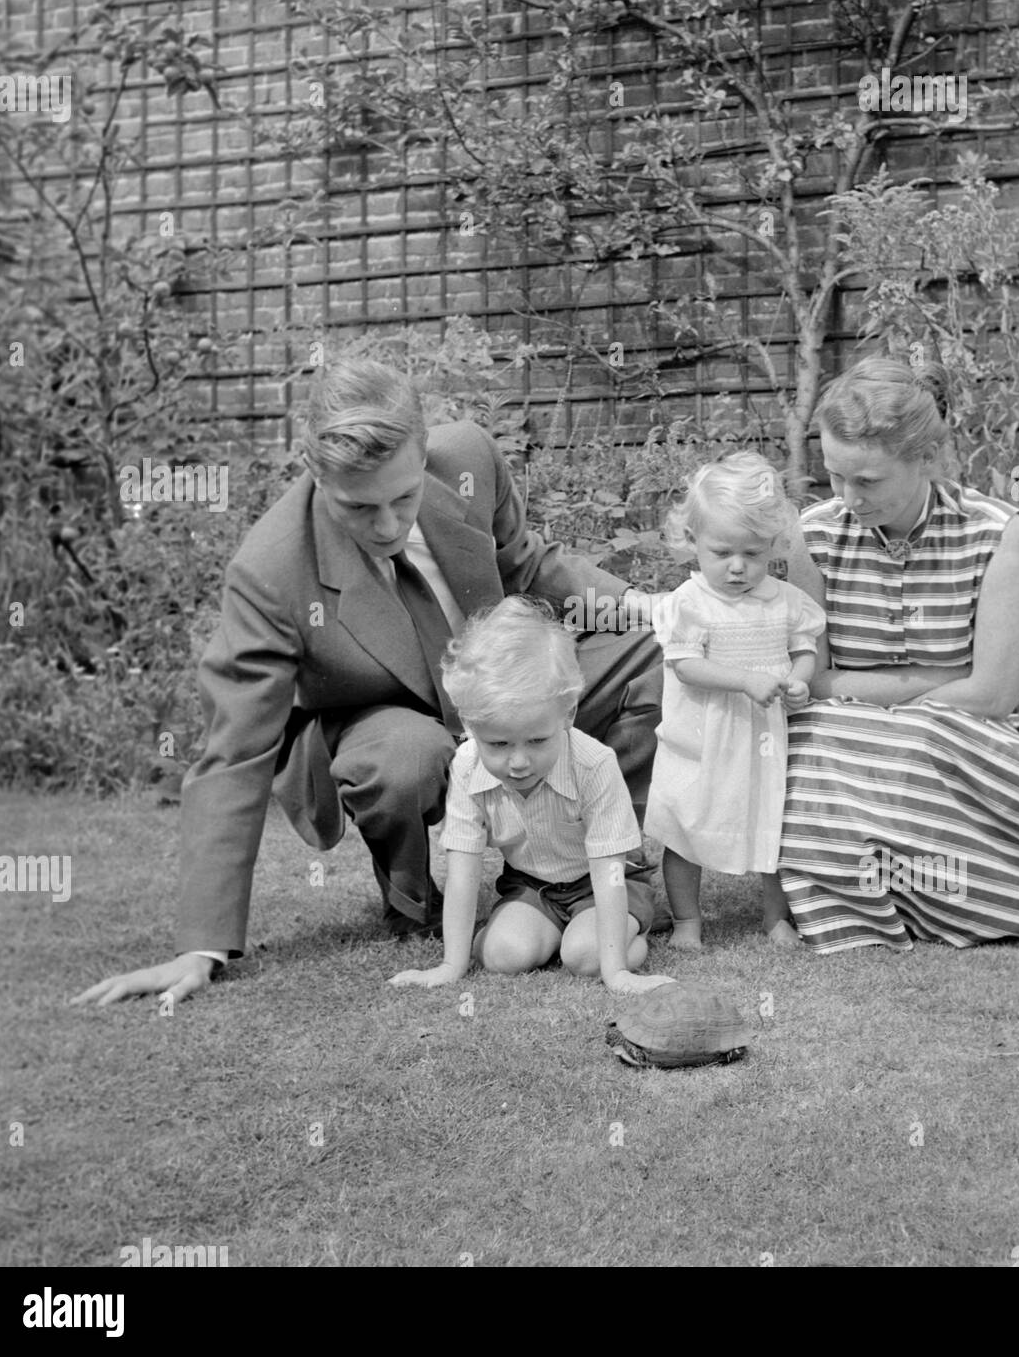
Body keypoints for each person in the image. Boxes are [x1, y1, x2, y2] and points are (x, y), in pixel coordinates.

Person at [73, 358, 662, 1008]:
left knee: (649, 655)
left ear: (423, 451)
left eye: (403, 499)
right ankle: (412, 899)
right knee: (407, 757)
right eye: (360, 507)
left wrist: (647, 604)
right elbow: (234, 749)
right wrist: (200, 945)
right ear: (314, 471)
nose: (388, 527)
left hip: (493, 696)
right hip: (383, 719)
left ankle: (611, 877)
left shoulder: (468, 458)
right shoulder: (269, 571)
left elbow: (528, 566)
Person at [780, 355, 1019, 952]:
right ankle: (880, 892)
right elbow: (817, 681)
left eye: (868, 480)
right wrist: (932, 677)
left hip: (981, 730)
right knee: (814, 746)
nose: (847, 496)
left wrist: (895, 703)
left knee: (921, 743)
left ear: (928, 459)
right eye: (835, 475)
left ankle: (959, 891)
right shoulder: (814, 534)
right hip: (849, 726)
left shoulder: (994, 530)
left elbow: (992, 693)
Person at [390, 597, 676, 993]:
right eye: (499, 744)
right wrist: (451, 965)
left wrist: (617, 972)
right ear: (471, 727)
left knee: (587, 957)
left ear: (568, 715)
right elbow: (462, 870)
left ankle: (624, 928)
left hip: (606, 881)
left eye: (538, 740)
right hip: (532, 886)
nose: (519, 762)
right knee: (503, 957)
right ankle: (550, 929)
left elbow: (610, 871)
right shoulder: (467, 765)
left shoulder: (593, 764)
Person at [644, 452, 825, 952]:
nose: (739, 567)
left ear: (773, 546)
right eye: (722, 552)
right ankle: (686, 922)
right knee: (688, 827)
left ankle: (776, 917)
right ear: (693, 541)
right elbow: (686, 666)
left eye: (754, 553)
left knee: (771, 821)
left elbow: (803, 650)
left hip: (762, 738)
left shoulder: (785, 600)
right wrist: (745, 680)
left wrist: (800, 680)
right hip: (702, 736)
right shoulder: (689, 602)